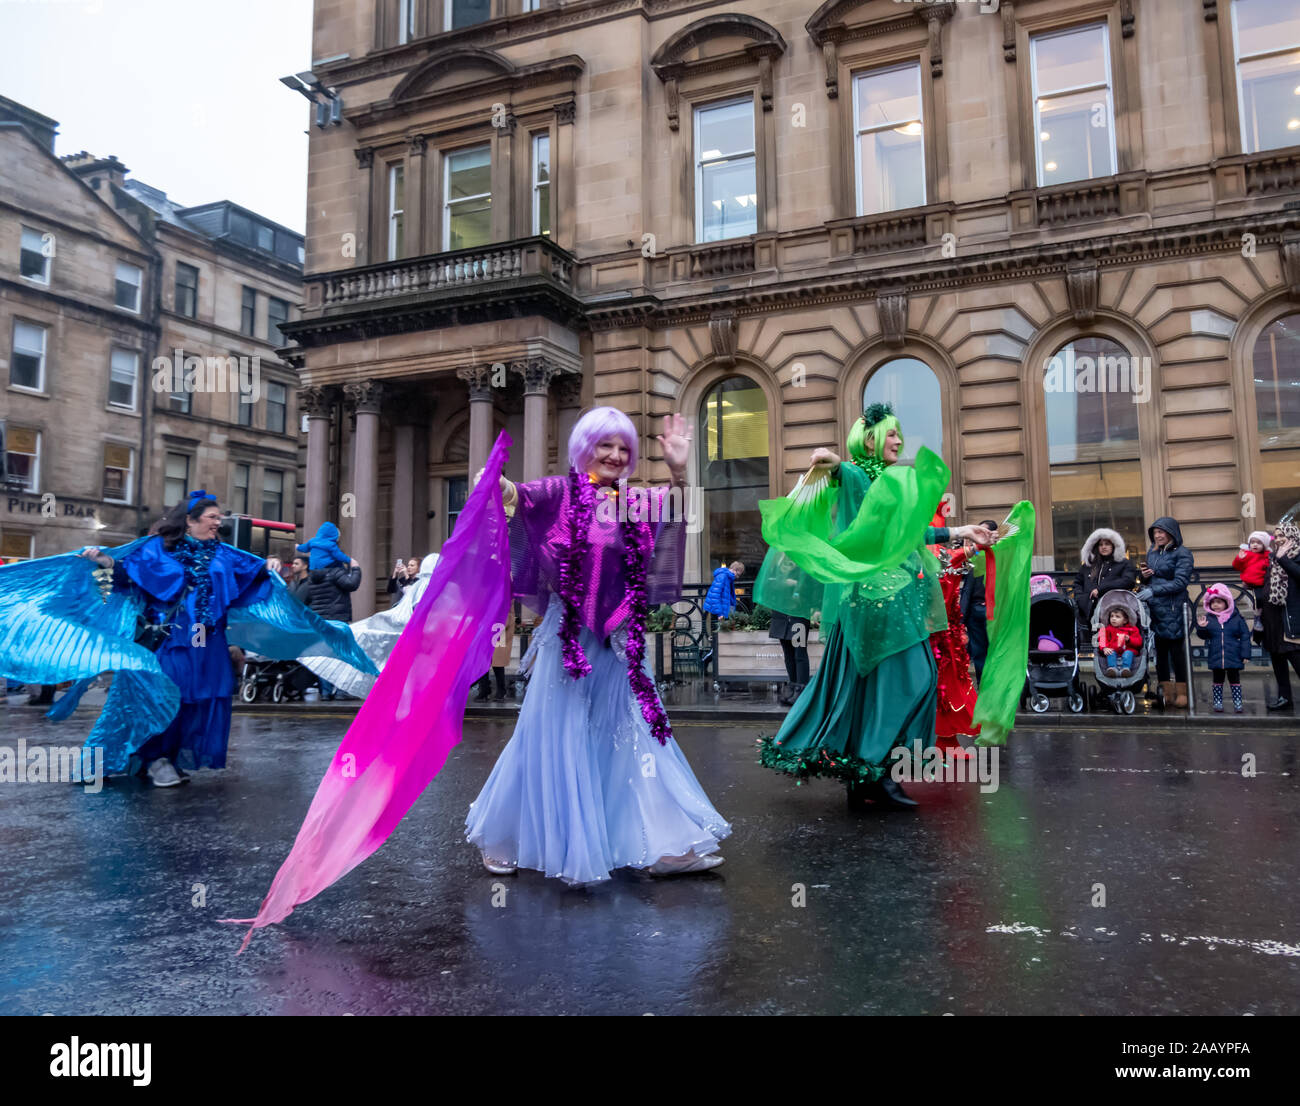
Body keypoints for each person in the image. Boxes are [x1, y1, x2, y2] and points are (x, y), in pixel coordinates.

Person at [466, 409, 730, 879]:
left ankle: (664, 845)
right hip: (568, 638)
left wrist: (679, 471)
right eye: (605, 445)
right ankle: (504, 834)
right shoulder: (558, 492)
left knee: (635, 731)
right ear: (584, 448)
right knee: (549, 734)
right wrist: (495, 482)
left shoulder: (637, 501)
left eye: (623, 447)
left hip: (621, 641)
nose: (614, 455)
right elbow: (517, 500)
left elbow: (677, 510)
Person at [0, 490, 375, 787]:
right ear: (191, 521)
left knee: (204, 697)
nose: (218, 523)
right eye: (212, 518)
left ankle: (172, 756)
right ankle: (155, 758)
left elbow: (252, 579)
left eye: (219, 518)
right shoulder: (156, 550)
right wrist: (104, 562)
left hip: (207, 641)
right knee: (167, 694)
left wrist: (270, 571)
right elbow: (128, 576)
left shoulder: (225, 555)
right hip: (171, 639)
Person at [753, 402, 999, 810]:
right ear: (869, 440)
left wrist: (960, 531)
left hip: (893, 598)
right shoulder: (858, 476)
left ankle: (866, 776)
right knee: (914, 679)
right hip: (873, 601)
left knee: (876, 686)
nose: (899, 441)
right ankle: (875, 773)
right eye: (891, 434)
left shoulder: (888, 481)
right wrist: (831, 462)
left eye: (899, 435)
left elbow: (910, 533)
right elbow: (840, 471)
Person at [301, 553, 440, 699]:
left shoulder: (314, 578)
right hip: (403, 626)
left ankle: (329, 687)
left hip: (327, 618)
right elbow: (416, 605)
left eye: (413, 565)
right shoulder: (425, 584)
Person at [1136, 517, 1194, 709]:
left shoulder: (1183, 553)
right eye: (1155, 532)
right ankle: (1165, 694)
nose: (1158, 535)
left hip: (1174, 608)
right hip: (1156, 609)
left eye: (1161, 532)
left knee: (1177, 652)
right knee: (1160, 654)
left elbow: (1180, 582)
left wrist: (1154, 590)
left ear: (1171, 533)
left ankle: (1182, 694)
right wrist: (1143, 578)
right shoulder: (1153, 554)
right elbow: (1150, 580)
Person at [931, 540, 979, 755]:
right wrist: (973, 548)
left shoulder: (941, 554)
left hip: (948, 638)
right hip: (931, 638)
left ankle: (947, 742)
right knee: (940, 689)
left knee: (950, 689)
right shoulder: (927, 555)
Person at [1261, 517, 1300, 711]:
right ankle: (1285, 698)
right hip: (1273, 618)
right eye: (1276, 535)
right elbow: (1268, 586)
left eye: (1282, 535)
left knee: (1295, 657)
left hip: (1290, 618)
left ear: (1292, 536)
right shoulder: (1273, 558)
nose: (1278, 539)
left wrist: (1283, 558)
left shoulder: (1296, 556)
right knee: (1277, 658)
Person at [1195, 583, 1250, 713]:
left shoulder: (1236, 618)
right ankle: (1218, 702)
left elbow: (1245, 636)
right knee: (1217, 680)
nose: (1215, 605)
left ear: (1227, 602)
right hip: (1216, 655)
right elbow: (1204, 636)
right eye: (1213, 602)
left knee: (1234, 680)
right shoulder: (1209, 618)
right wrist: (1202, 627)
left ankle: (1237, 702)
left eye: (1219, 602)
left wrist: (1245, 654)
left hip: (1234, 655)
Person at [1073, 528, 1138, 629]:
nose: (1104, 547)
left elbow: (1128, 581)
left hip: (1112, 613)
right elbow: (1078, 582)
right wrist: (1080, 598)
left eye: (1107, 544)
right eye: (1101, 544)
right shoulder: (1089, 564)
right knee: (1092, 641)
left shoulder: (1123, 563)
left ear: (1114, 545)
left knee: (1106, 641)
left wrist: (1101, 589)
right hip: (1087, 610)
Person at [960, 519, 998, 683]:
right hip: (975, 610)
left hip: (995, 611)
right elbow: (960, 573)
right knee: (979, 653)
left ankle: (997, 688)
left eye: (983, 532)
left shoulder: (999, 554)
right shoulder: (974, 554)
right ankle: (985, 689)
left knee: (995, 652)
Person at [769, 608, 811, 706]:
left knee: (799, 653)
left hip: (798, 613)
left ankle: (801, 689)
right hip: (781, 615)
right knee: (788, 654)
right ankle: (792, 687)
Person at [1097, 607, 1143, 678]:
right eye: (1111, 616)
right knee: (1110, 652)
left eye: (1117, 617)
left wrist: (1129, 639)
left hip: (1127, 649)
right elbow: (1102, 639)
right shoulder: (1107, 629)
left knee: (1128, 653)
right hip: (1113, 649)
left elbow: (1139, 642)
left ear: (1125, 620)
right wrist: (1104, 648)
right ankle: (1112, 669)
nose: (1113, 618)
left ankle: (1126, 669)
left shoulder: (1132, 629)